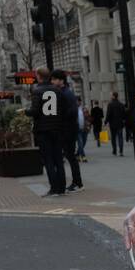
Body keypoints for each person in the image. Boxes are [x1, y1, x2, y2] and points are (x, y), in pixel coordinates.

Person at [29, 66, 66, 197]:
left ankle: (54, 188)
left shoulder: (37, 91)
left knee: (48, 160)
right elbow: (63, 109)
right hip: (57, 128)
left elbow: (34, 111)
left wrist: (26, 112)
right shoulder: (57, 91)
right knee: (58, 159)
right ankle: (62, 187)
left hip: (43, 130)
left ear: (39, 76)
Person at [50, 69, 83, 192]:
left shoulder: (65, 93)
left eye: (54, 79)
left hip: (68, 130)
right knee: (70, 156)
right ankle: (77, 182)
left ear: (60, 80)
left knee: (71, 156)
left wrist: (61, 117)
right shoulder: (65, 92)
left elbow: (72, 111)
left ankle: (77, 182)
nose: (52, 81)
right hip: (68, 129)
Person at [105, 91, 127, 156]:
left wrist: (105, 122)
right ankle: (121, 151)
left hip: (112, 124)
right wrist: (124, 120)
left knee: (113, 137)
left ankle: (114, 150)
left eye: (111, 95)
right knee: (120, 137)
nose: (111, 97)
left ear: (113, 96)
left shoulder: (110, 104)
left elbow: (108, 114)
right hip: (120, 123)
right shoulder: (121, 104)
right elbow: (124, 114)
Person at [75, 97, 89, 162]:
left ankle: (77, 154)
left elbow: (88, 118)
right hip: (78, 129)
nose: (77, 103)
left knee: (84, 142)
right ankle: (83, 156)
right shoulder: (74, 109)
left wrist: (88, 126)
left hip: (84, 128)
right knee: (80, 142)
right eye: (76, 101)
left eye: (78, 101)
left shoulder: (84, 109)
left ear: (80, 102)